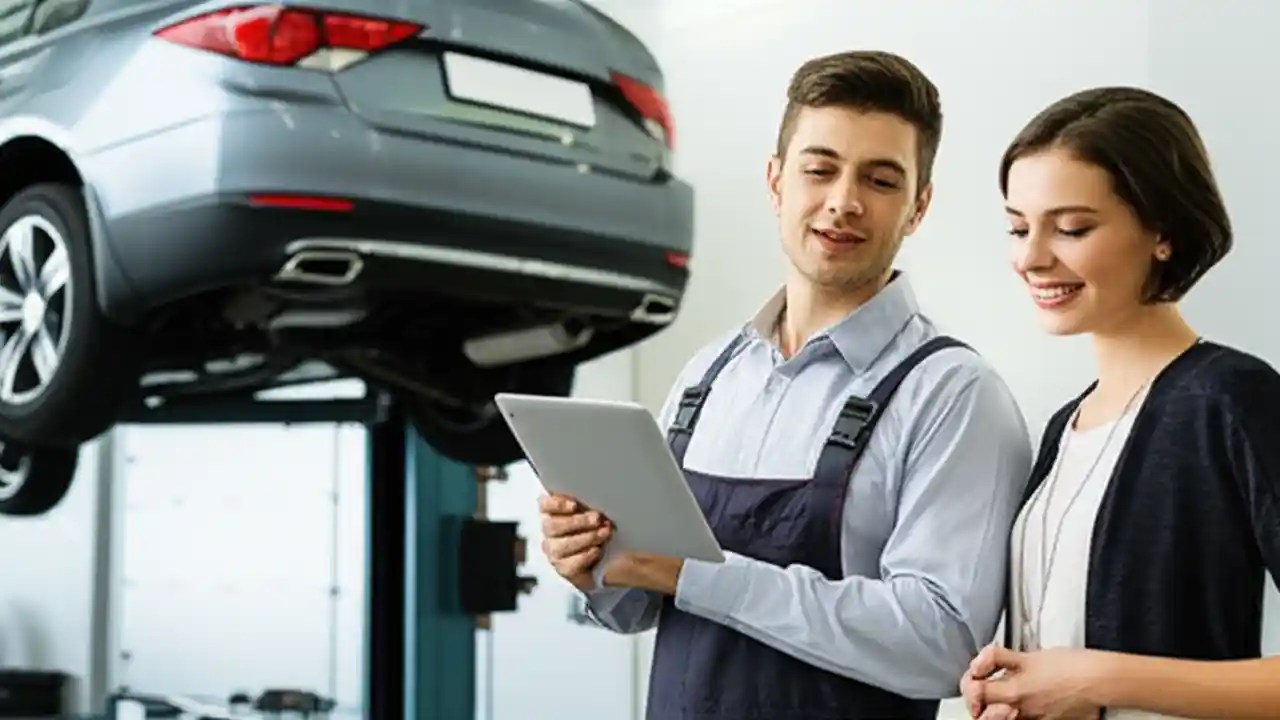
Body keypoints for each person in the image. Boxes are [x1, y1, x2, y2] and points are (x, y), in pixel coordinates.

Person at [537, 50, 1034, 719]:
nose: (844, 202)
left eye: (881, 181)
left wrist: (695, 575)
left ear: (918, 208)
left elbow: (941, 644)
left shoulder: (953, 395)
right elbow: (636, 609)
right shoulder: (707, 378)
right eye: (820, 169)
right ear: (776, 182)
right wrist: (593, 565)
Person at [961, 86, 1280, 720]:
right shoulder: (1064, 427)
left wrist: (1099, 679)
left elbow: (1092, 674)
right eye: (1019, 227)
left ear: (1162, 231)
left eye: (1072, 227)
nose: (1030, 258)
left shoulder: (1230, 399)